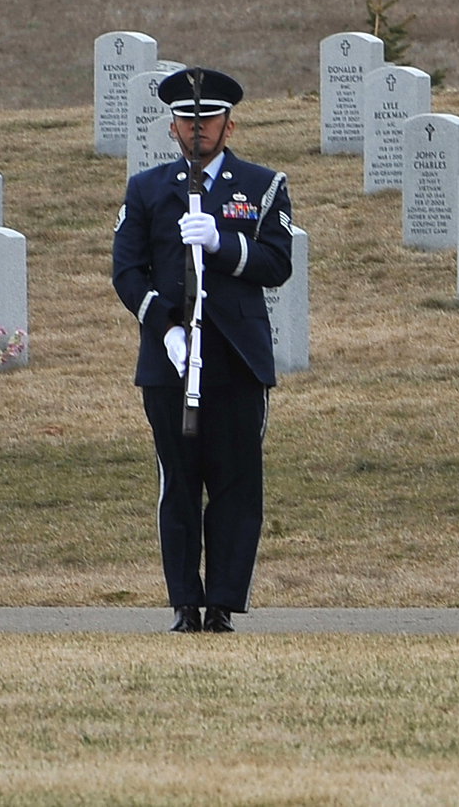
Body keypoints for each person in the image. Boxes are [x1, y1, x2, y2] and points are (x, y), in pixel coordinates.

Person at [112, 68, 294, 633]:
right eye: (188, 120)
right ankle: (184, 603)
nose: (198, 130)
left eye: (208, 120)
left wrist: (222, 242)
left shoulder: (262, 185)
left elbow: (277, 263)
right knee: (180, 484)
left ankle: (223, 604)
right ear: (172, 127)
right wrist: (164, 328)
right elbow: (127, 270)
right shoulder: (146, 190)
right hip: (170, 362)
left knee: (237, 485)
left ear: (229, 124)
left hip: (236, 359)